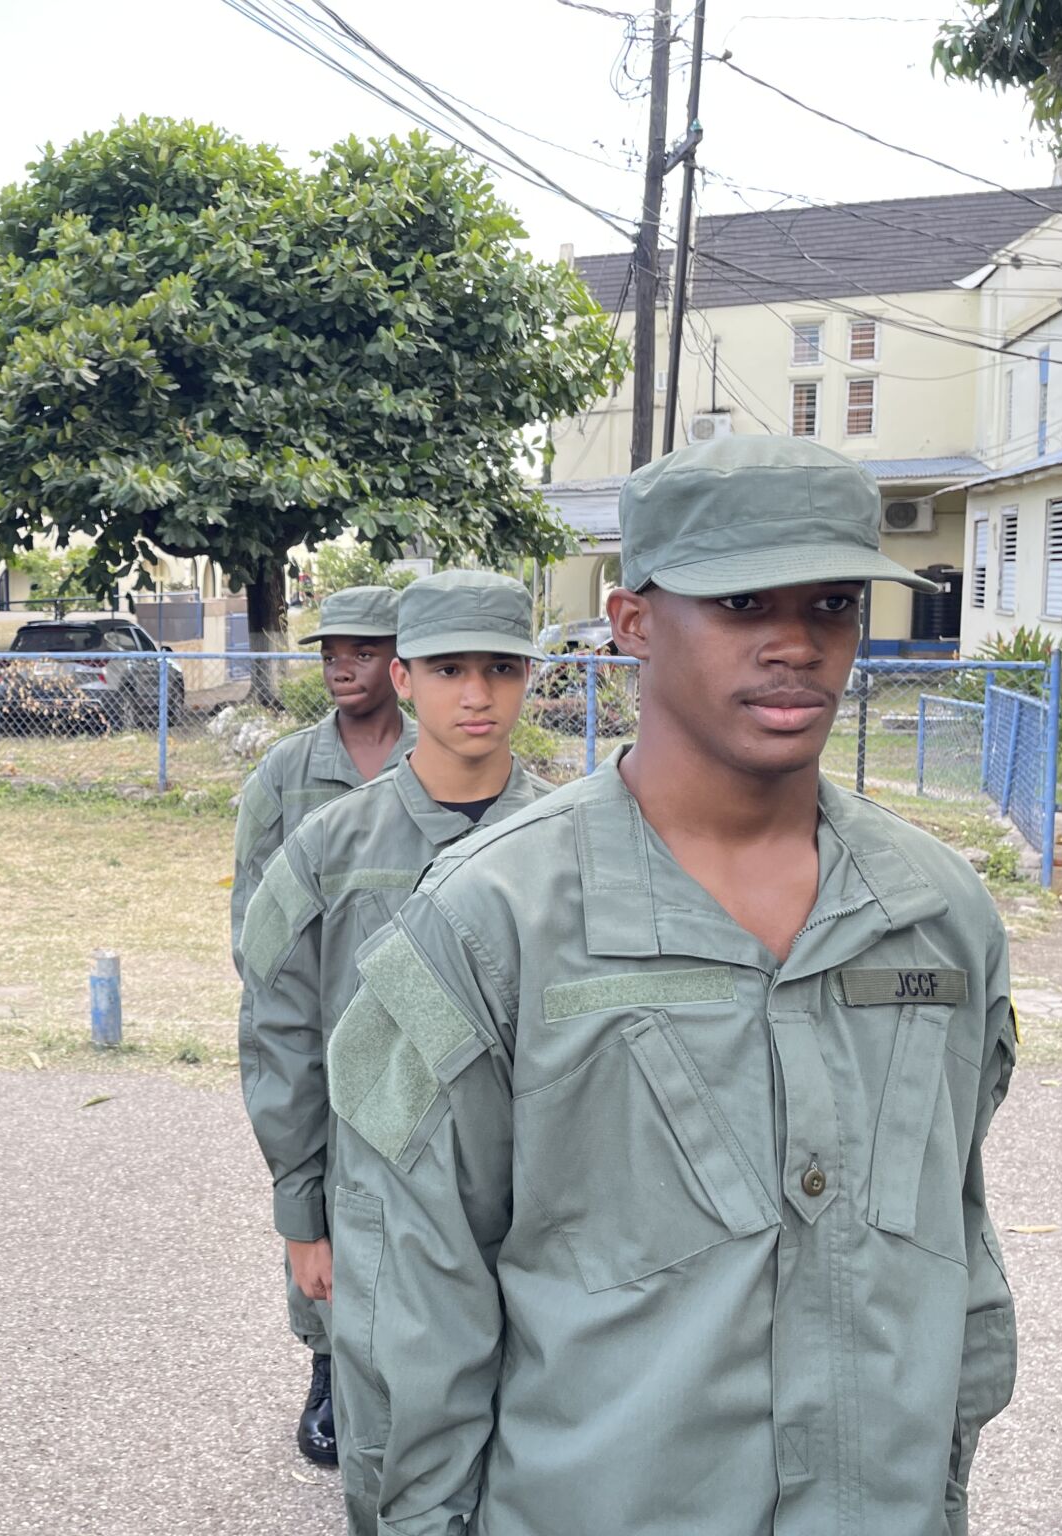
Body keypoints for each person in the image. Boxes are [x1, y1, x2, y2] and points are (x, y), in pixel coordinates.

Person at [329, 435, 1018, 1535]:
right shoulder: (480, 923)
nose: (796, 644)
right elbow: (408, 1304)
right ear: (633, 620)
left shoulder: (937, 914)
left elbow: (954, 1233)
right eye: (741, 601)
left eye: (832, 602)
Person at [237, 570, 550, 1468]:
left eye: (501, 668)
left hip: (540, 1190)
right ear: (406, 679)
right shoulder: (330, 846)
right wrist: (301, 1211)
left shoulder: (574, 845)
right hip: (376, 1191)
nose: (478, 694)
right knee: (387, 1464)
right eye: (449, 669)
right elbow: (279, 1026)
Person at [230, 583, 413, 1459]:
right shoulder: (286, 774)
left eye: (364, 649)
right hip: (326, 1028)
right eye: (330, 649)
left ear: (402, 661)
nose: (342, 664)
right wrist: (283, 1015)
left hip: (428, 1032)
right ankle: (329, 1363)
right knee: (320, 1191)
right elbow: (254, 920)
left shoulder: (441, 755)